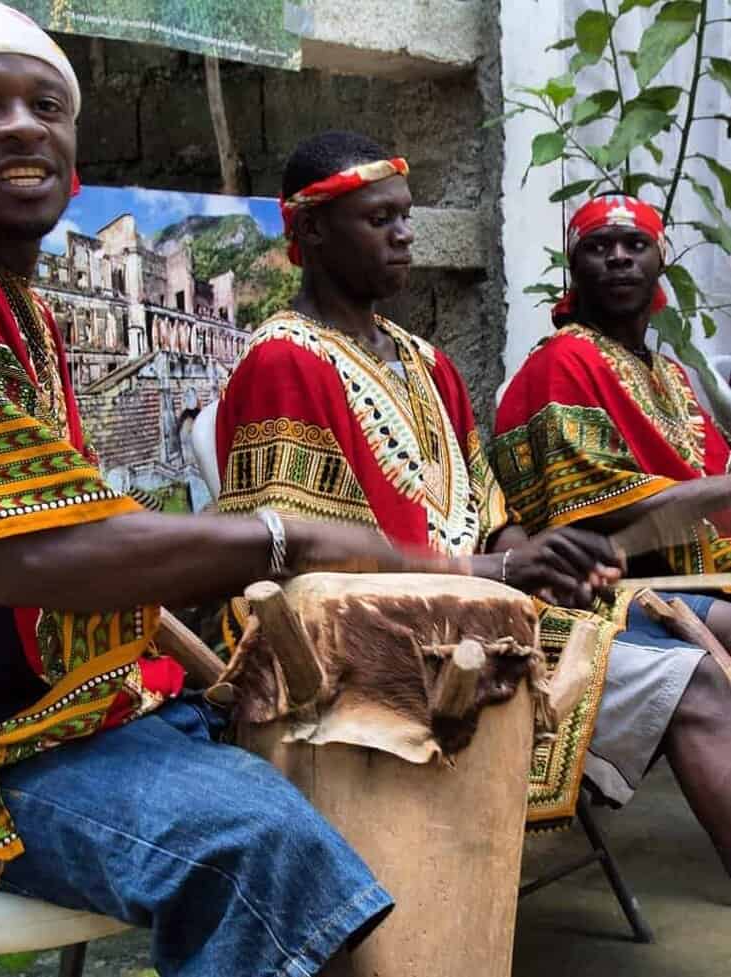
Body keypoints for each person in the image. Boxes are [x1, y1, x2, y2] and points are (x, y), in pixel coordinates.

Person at [0, 8, 510, 975]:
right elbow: (23, 558)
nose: (23, 125)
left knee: (318, 771)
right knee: (260, 851)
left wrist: (210, 670)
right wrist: (293, 537)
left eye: (47, 105)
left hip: (50, 717)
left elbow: (66, 527)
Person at [214, 131, 631, 830]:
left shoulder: (427, 362)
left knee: (681, 659)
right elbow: (301, 563)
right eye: (380, 220)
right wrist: (495, 567)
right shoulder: (284, 361)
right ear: (311, 230)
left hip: (481, 623)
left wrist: (540, 564)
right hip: (376, 656)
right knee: (696, 687)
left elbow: (488, 506)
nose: (406, 235)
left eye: (405, 215)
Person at [493, 193, 731, 873]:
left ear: (661, 259)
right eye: (599, 245)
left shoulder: (671, 378)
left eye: (635, 244)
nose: (619, 257)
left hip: (689, 577)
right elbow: (596, 521)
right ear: (573, 263)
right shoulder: (563, 360)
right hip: (603, 586)